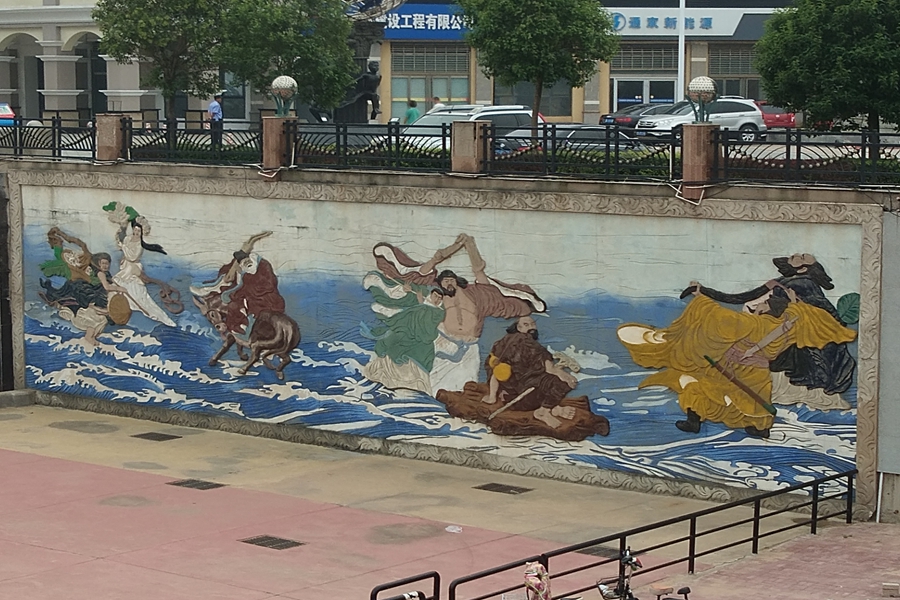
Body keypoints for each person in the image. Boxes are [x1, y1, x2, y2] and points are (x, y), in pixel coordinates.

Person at [617, 286, 857, 438]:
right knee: (748, 399)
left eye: (764, 302)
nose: (759, 303)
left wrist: (702, 301)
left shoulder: (756, 324)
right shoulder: (788, 322)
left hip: (739, 367)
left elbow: (722, 319)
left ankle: (697, 420)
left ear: (769, 309)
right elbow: (796, 312)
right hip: (754, 371)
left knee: (703, 385)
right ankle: (752, 427)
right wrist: (792, 300)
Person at [370, 234, 545, 396]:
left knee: (466, 389)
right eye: (445, 280)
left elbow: (480, 273)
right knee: (437, 391)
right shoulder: (437, 295)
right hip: (444, 345)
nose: (448, 283)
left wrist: (470, 245)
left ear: (457, 281)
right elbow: (423, 271)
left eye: (451, 280)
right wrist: (453, 248)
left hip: (469, 348)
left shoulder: (476, 295)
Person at [681, 253, 856, 396]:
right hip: (775, 327)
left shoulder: (805, 284)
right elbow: (741, 297)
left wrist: (838, 324)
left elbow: (823, 309)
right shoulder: (780, 282)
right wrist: (704, 290)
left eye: (802, 257)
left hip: (791, 333)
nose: (798, 254)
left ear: (803, 268)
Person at [481, 316, 579, 429]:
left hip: (515, 398)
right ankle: (544, 411)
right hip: (522, 396)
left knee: (544, 381)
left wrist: (492, 397)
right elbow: (550, 369)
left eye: (533, 324)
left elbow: (494, 369)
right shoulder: (526, 341)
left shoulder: (501, 344)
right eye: (526, 325)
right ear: (518, 327)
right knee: (562, 383)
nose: (531, 327)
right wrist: (566, 376)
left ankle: (552, 409)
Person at [361, 275, 446, 394]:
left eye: (439, 298)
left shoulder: (439, 312)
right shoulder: (421, 299)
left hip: (422, 340)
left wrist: (421, 304)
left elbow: (428, 325)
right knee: (395, 343)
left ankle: (414, 385)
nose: (437, 299)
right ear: (431, 294)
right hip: (407, 333)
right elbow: (409, 301)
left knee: (419, 356)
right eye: (435, 296)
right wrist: (406, 291)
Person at [112, 219, 176, 327]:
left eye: (139, 231)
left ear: (142, 232)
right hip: (126, 265)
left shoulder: (140, 244)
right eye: (135, 230)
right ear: (133, 229)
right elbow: (124, 251)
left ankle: (158, 315)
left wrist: (123, 247)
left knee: (136, 291)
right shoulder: (128, 238)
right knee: (120, 283)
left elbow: (133, 257)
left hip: (133, 267)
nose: (136, 233)